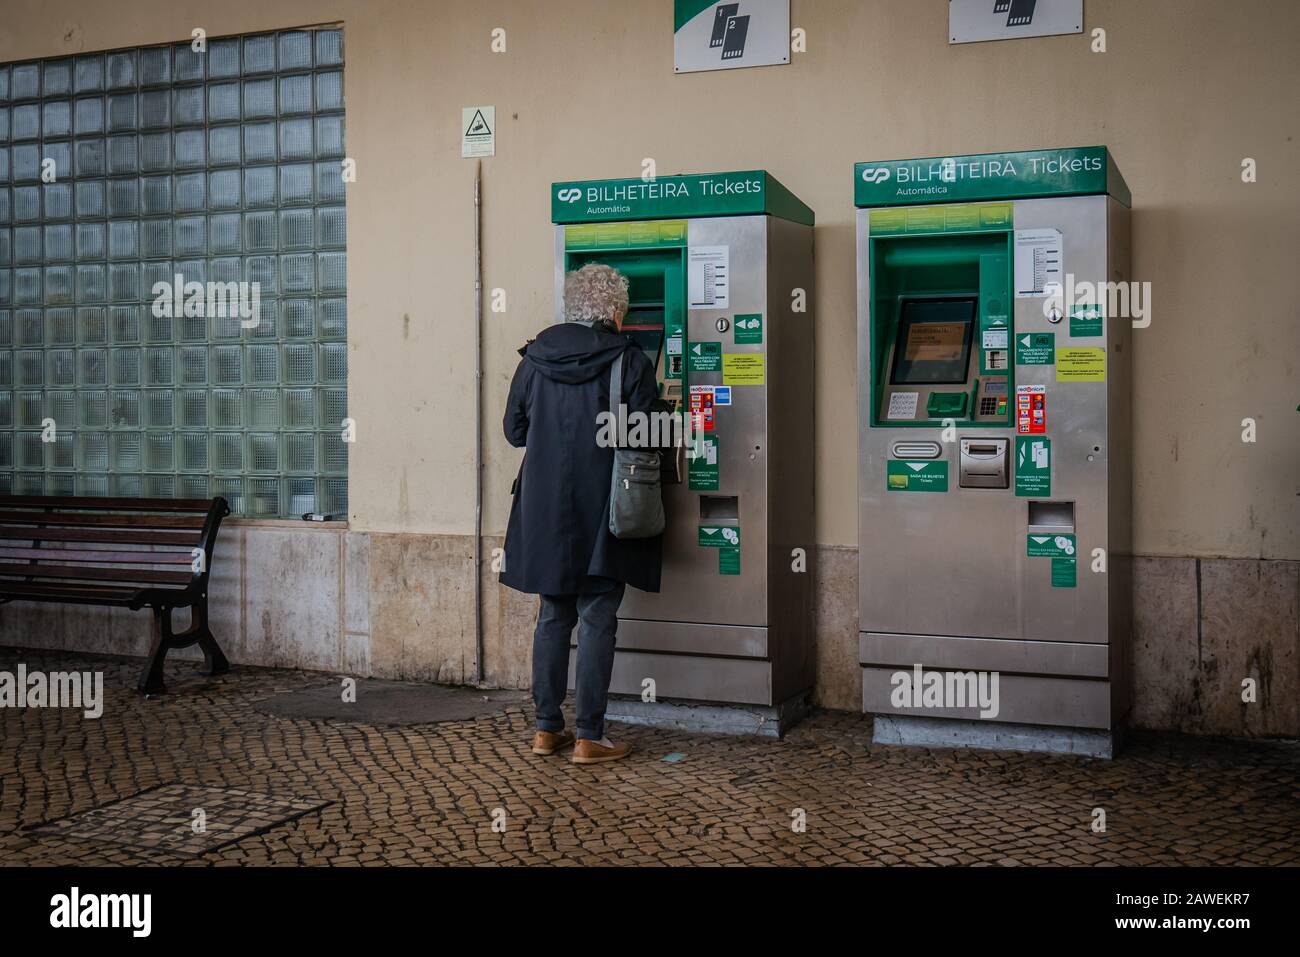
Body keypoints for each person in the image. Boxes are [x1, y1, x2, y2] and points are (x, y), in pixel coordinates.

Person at [501, 263, 662, 764]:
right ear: (614, 312)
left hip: (545, 505)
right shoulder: (629, 360)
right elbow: (648, 432)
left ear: (572, 309)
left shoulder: (535, 358)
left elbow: (514, 430)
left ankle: (547, 730)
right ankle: (590, 735)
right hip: (604, 503)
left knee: (553, 615)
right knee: (597, 617)